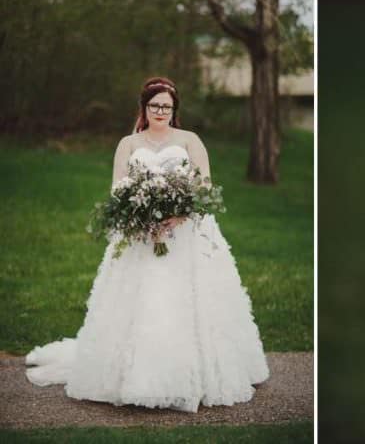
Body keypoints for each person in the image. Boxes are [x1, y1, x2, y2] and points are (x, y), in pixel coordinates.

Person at [24, 77, 270, 413]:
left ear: (174, 109)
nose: (160, 111)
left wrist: (179, 214)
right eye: (155, 105)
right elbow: (117, 190)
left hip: (187, 236)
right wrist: (140, 218)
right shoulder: (128, 143)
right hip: (139, 235)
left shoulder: (189, 140)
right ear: (144, 107)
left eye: (167, 106)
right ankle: (132, 376)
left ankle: (198, 373)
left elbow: (205, 186)